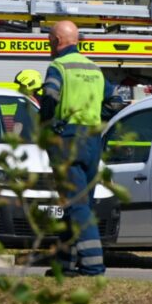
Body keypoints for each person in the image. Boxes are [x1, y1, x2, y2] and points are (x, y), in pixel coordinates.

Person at [38, 20, 106, 277]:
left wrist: (46, 124)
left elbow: (50, 98)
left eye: (49, 42)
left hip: (67, 140)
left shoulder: (58, 66)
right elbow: (114, 101)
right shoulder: (94, 69)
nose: (48, 47)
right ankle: (65, 265)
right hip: (92, 141)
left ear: (56, 41)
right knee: (76, 204)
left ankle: (92, 266)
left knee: (77, 206)